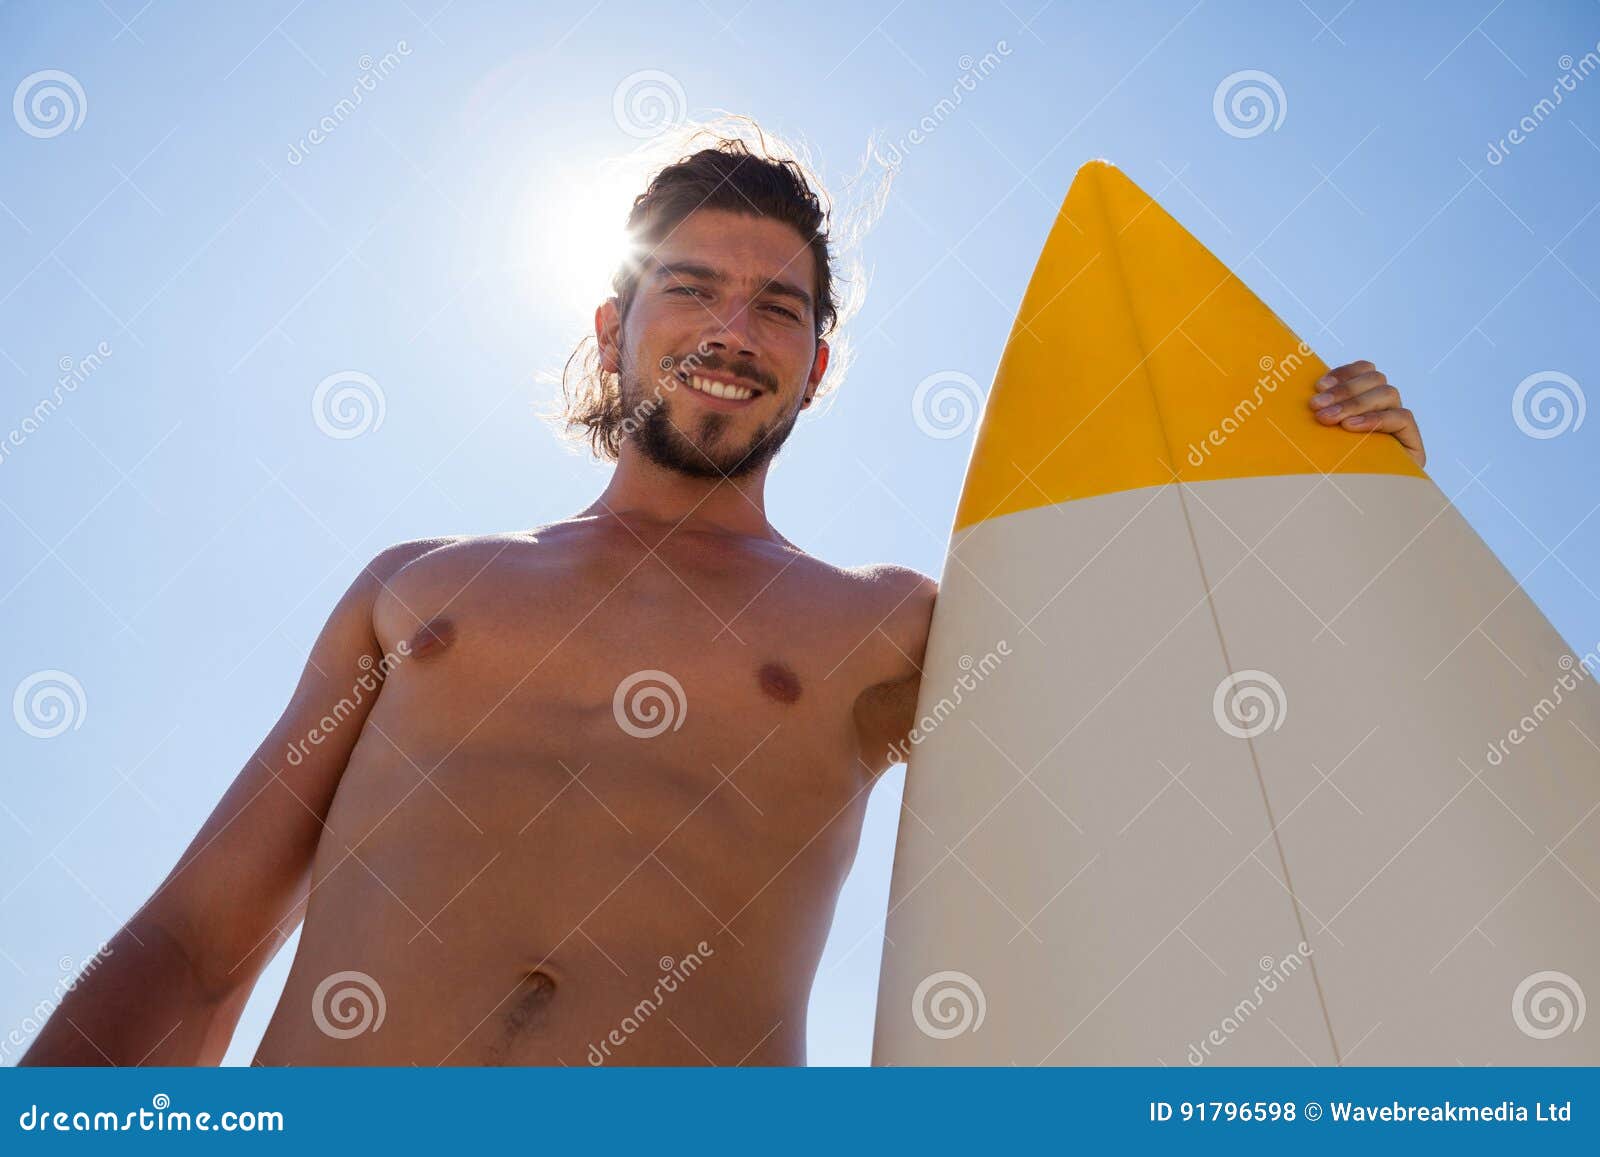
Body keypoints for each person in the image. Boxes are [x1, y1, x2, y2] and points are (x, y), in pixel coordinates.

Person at [21, 125, 1426, 1067]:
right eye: (690, 289)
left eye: (780, 308)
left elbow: (1196, 749)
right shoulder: (419, 586)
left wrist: (1344, 510)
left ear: (818, 365)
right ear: (614, 327)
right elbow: (196, 942)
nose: (732, 331)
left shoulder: (894, 623)